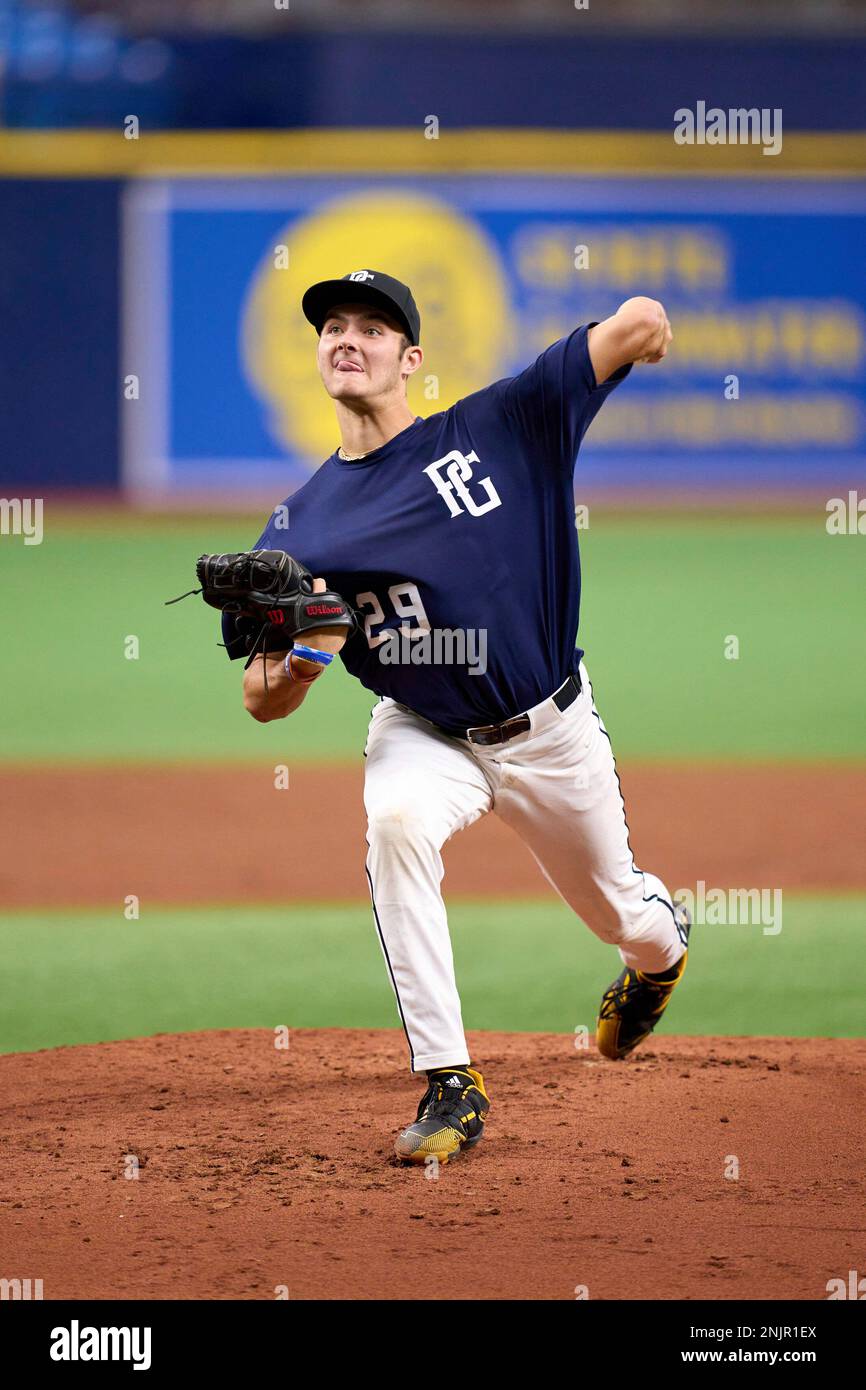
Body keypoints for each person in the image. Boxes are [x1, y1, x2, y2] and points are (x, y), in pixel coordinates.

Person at [225, 269, 690, 1166]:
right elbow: (260, 698)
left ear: (412, 358)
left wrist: (645, 328)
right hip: (424, 729)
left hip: (551, 732)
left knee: (626, 917)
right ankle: (450, 1082)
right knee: (394, 821)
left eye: (371, 327)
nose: (348, 339)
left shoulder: (504, 424)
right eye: (332, 328)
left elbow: (636, 323)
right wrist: (313, 652)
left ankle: (659, 965)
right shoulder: (298, 529)